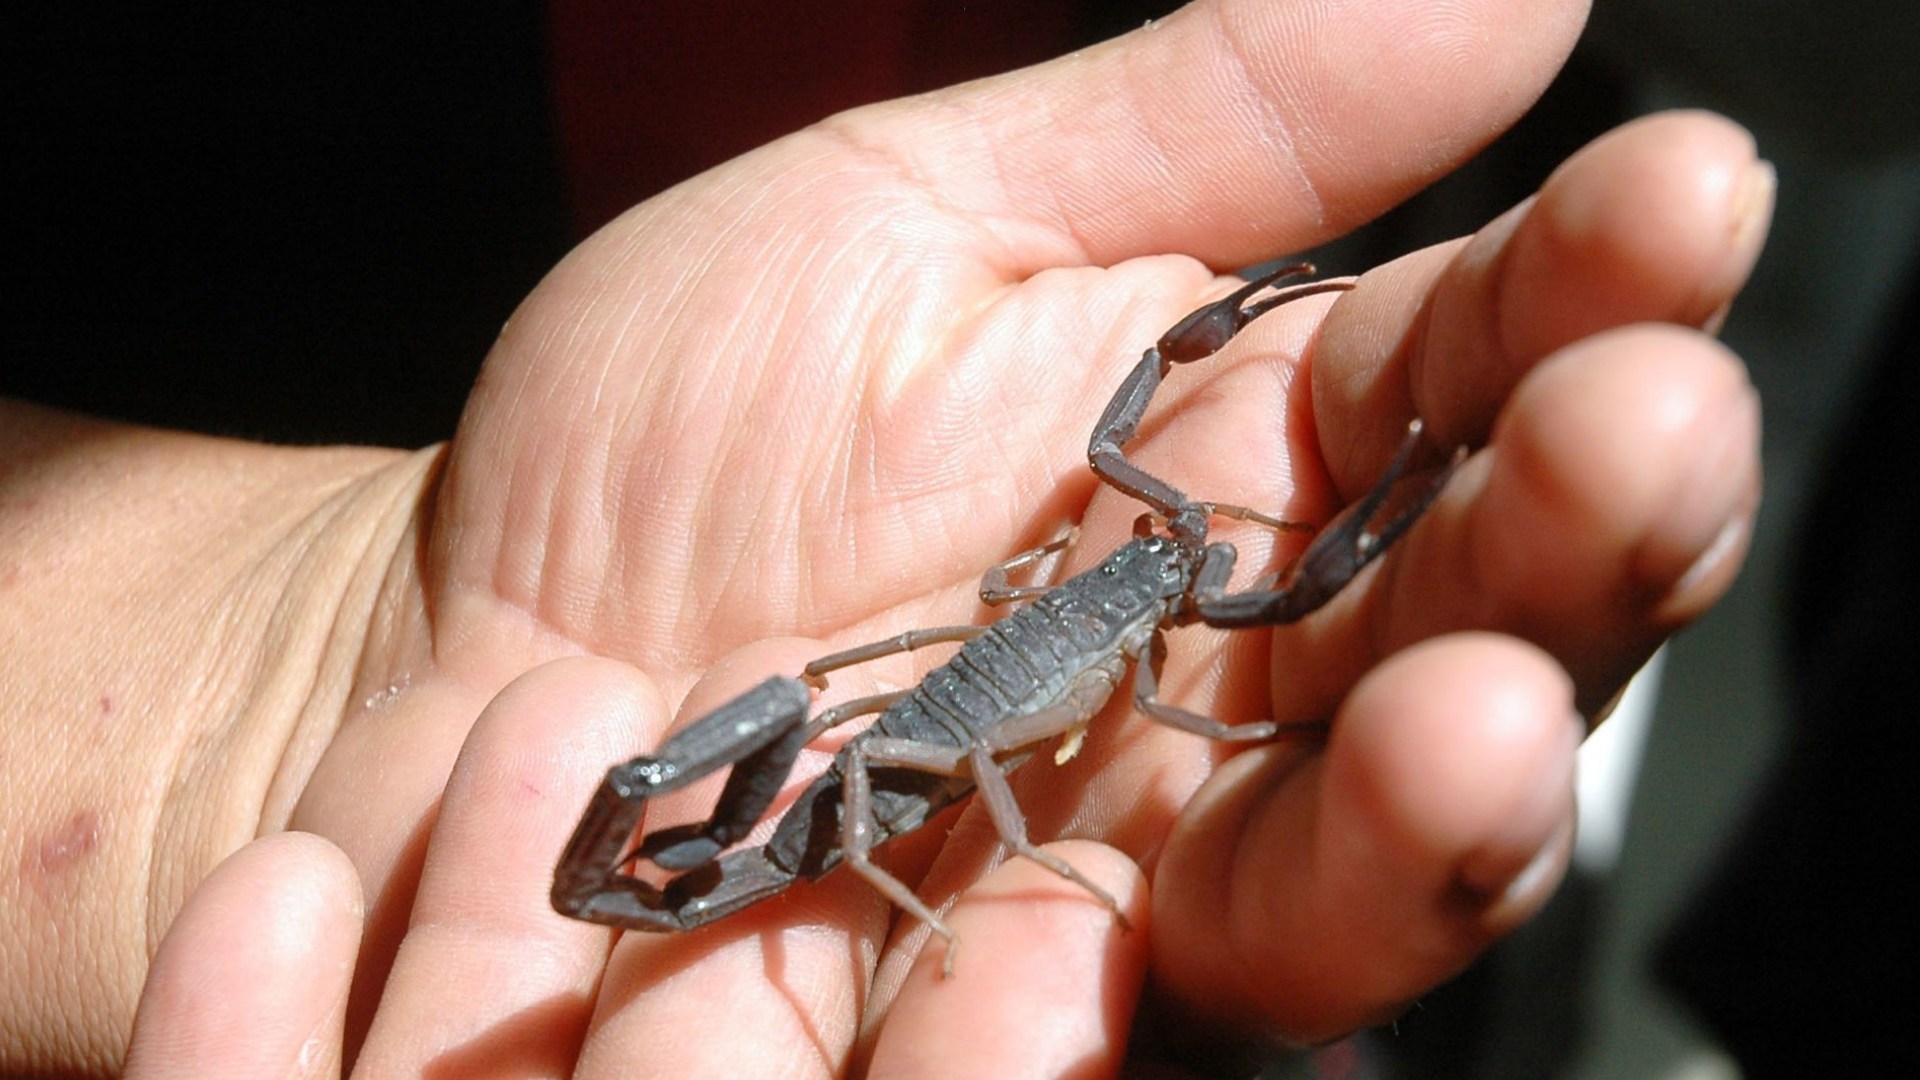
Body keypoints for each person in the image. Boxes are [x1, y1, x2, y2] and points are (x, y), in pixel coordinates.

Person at [0, 0, 1770, 1075]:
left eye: (1177, 558)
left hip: (931, 706)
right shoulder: (1144, 598)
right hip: (908, 756)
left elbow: (1095, 541)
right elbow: (1126, 705)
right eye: (1172, 556)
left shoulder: (1118, 552)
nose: (1180, 553)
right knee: (988, 733)